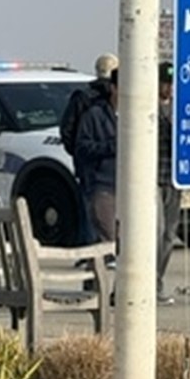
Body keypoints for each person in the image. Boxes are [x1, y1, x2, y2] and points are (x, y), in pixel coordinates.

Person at [64, 53, 118, 242]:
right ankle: (94, 256)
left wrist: (80, 157)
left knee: (91, 215)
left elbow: (68, 133)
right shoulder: (96, 106)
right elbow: (74, 137)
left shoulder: (82, 96)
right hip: (100, 170)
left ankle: (90, 254)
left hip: (90, 168)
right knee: (100, 217)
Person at [156, 61, 180, 304]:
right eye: (166, 82)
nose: (169, 88)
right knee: (155, 232)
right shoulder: (146, 106)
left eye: (172, 83)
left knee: (169, 235)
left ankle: (158, 281)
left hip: (173, 179)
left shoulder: (180, 109)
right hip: (152, 180)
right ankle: (147, 283)